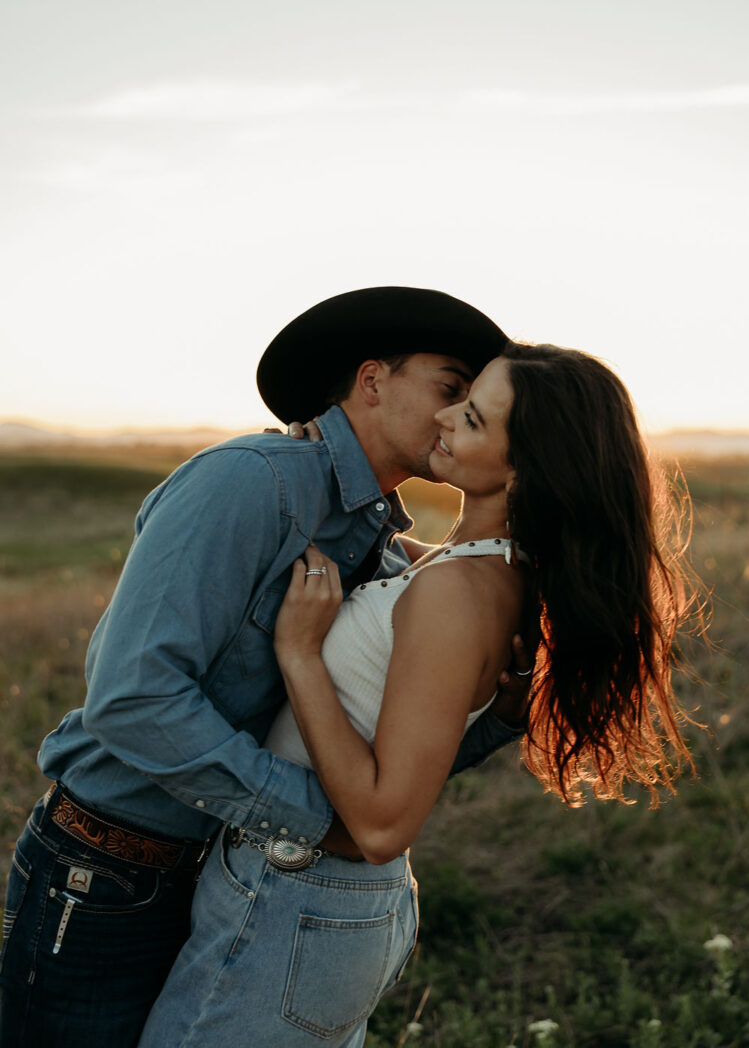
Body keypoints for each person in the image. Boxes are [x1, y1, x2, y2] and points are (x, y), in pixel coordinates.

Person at [0, 287, 532, 1048]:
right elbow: (132, 699)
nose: (455, 417)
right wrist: (315, 820)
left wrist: (498, 717)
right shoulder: (251, 481)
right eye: (450, 389)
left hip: (233, 873)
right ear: (373, 379)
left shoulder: (379, 541)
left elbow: (360, 752)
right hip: (108, 869)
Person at [137, 341, 697, 1048]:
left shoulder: (457, 594)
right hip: (311, 901)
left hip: (301, 895)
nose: (443, 420)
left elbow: (380, 824)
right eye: (460, 400)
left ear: (526, 472)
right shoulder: (475, 568)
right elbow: (387, 564)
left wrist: (301, 655)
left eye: (472, 419)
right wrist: (322, 445)